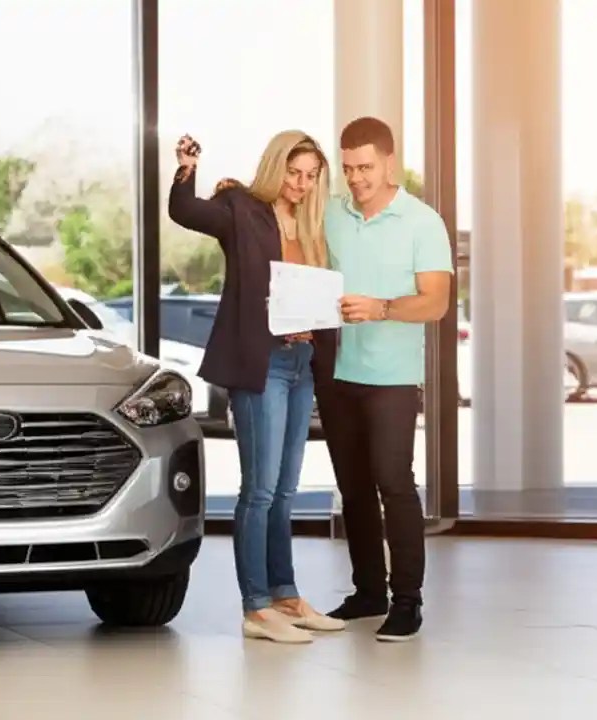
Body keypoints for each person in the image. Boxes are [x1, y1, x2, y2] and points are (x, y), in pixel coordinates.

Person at [168, 130, 346, 643]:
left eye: (312, 176)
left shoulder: (315, 227)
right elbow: (185, 211)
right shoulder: (240, 208)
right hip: (260, 365)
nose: (302, 184)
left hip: (302, 361)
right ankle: (256, 607)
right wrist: (186, 168)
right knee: (260, 489)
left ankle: (285, 594)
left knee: (286, 489)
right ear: (275, 167)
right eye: (294, 173)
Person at [313, 116, 453, 642]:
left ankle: (407, 601)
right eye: (348, 168)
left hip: (392, 377)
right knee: (353, 489)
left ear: (389, 161)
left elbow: (436, 302)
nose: (356, 178)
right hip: (337, 373)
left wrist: (382, 308)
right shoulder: (332, 213)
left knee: (394, 484)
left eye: (366, 167)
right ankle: (368, 591)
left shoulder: (422, 221)